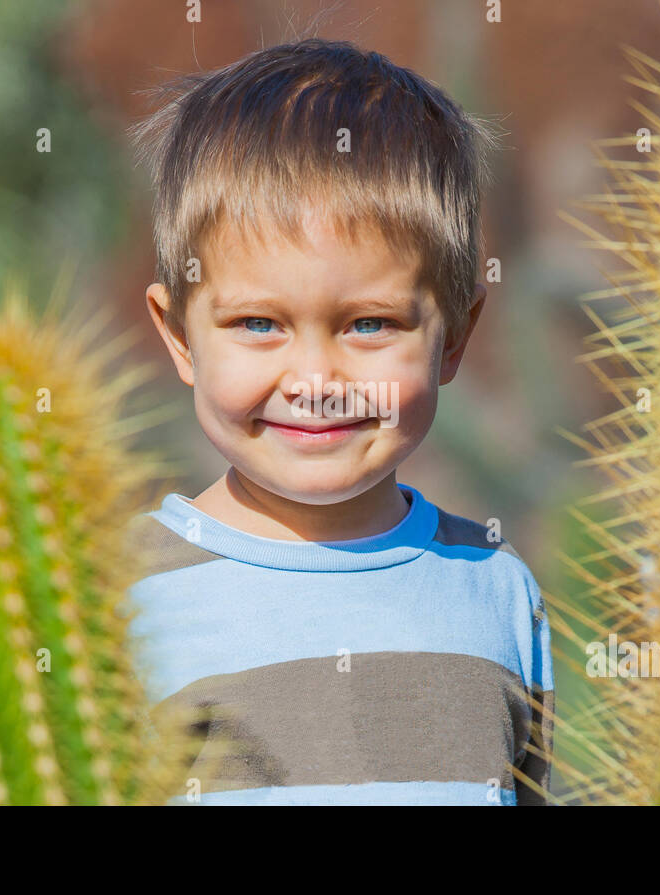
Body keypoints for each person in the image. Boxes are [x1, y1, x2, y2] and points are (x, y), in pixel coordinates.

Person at [124, 37, 554, 805]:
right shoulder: (117, 601)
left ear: (454, 336)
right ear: (180, 336)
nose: (317, 382)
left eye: (369, 324)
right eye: (258, 323)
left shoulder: (498, 589)